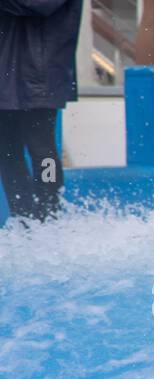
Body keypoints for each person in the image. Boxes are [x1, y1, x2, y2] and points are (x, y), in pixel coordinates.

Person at [0, 0, 84, 223]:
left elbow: (39, 3)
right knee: (6, 149)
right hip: (7, 65)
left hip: (42, 70)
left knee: (41, 147)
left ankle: (49, 217)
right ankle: (23, 220)